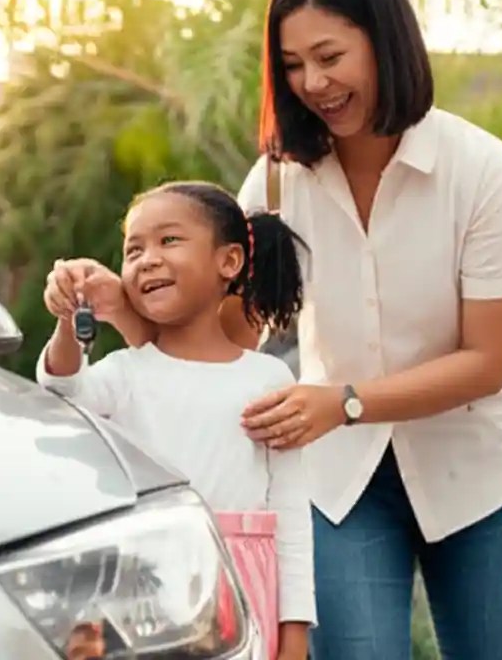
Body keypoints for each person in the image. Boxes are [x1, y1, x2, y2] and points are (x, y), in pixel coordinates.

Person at [46, 0, 502, 658]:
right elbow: (219, 342)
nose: (313, 82)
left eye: (329, 56)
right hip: (342, 483)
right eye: (291, 66)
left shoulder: (478, 169)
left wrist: (341, 401)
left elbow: (488, 361)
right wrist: (122, 303)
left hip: (482, 474)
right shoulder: (278, 185)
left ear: (383, 41)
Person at [38, 180, 315, 659]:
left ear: (228, 262)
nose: (147, 259)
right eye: (133, 249)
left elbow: (291, 515)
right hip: (142, 589)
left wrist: (294, 636)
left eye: (169, 240)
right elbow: (63, 389)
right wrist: (68, 320)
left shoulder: (268, 378)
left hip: (243, 590)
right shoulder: (125, 373)